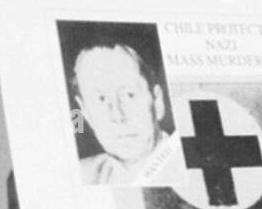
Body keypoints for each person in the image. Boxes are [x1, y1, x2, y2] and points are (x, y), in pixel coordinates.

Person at [70, 40, 182, 186]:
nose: (117, 116)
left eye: (129, 95)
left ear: (157, 101)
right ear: (85, 113)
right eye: (101, 99)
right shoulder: (80, 175)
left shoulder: (186, 165)